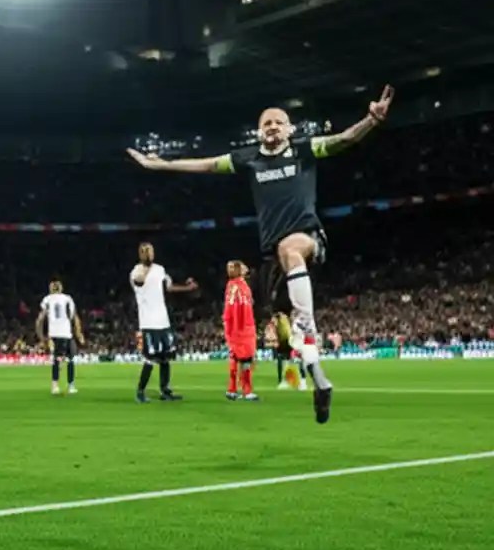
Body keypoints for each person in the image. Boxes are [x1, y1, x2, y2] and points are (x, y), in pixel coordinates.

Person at [126, 85, 393, 423]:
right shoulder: (248, 158)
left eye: (278, 122)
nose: (272, 127)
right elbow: (206, 164)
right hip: (274, 261)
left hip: (307, 239)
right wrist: (162, 165)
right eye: (266, 123)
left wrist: (371, 120)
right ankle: (319, 378)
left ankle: (307, 324)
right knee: (286, 331)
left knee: (291, 250)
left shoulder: (304, 149)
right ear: (258, 131)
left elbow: (344, 139)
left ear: (289, 129)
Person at [130, 242, 198, 403]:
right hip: (148, 322)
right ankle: (140, 391)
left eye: (150, 251)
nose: (148, 253)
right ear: (140, 254)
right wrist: (147, 268)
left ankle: (165, 390)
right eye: (145, 251)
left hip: (162, 320)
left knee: (166, 357)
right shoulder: (136, 271)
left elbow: (169, 287)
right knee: (150, 358)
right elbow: (140, 282)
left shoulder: (160, 269)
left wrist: (187, 288)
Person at [35, 278, 85, 395]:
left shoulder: (47, 299)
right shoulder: (67, 299)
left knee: (56, 360)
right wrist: (79, 333)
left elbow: (40, 319)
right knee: (70, 359)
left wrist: (40, 335)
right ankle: (71, 385)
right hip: (66, 332)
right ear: (61, 288)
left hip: (53, 333)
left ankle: (55, 386)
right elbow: (74, 317)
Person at [223, 260, 259, 402]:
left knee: (235, 358)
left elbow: (230, 307)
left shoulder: (232, 285)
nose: (245, 268)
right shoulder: (240, 286)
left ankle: (232, 390)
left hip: (235, 327)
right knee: (246, 359)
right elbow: (239, 308)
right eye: (242, 266)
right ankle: (247, 391)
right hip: (243, 327)